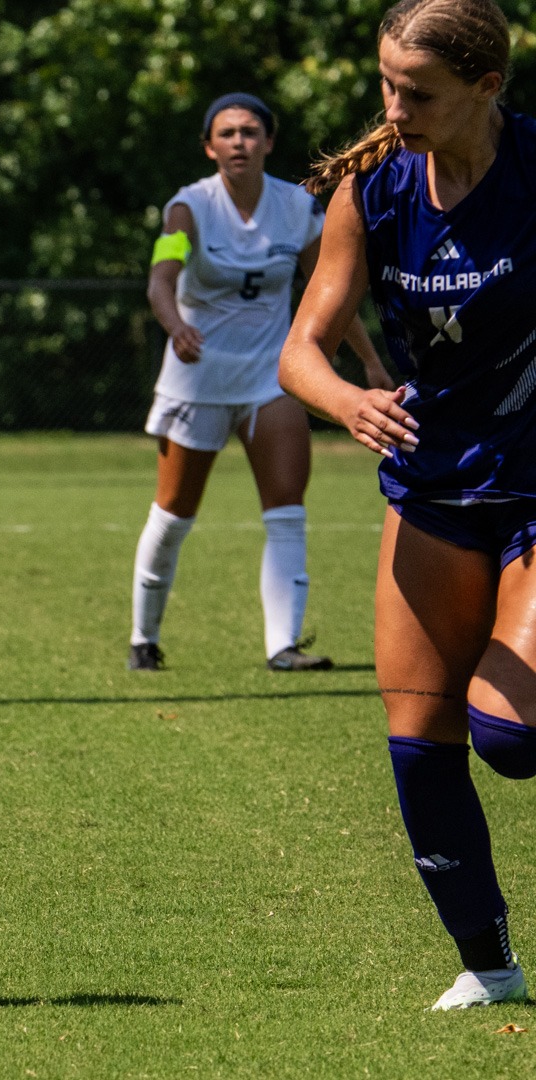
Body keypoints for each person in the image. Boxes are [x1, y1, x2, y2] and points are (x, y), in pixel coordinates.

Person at [281, 0, 534, 1010]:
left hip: (533, 485)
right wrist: (348, 400)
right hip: (433, 487)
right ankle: (491, 967)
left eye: (418, 92)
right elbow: (303, 347)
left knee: (512, 738)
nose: (394, 106)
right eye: (386, 84)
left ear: (487, 87)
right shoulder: (370, 190)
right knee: (422, 744)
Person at [130, 94, 392, 672]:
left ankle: (284, 646)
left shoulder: (297, 207)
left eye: (251, 132)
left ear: (269, 142)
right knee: (174, 514)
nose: (239, 142)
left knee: (286, 509)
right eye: (226, 133)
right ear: (209, 146)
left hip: (270, 379)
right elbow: (160, 281)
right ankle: (142, 639)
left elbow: (333, 294)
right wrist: (175, 326)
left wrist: (370, 364)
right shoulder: (188, 208)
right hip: (196, 380)